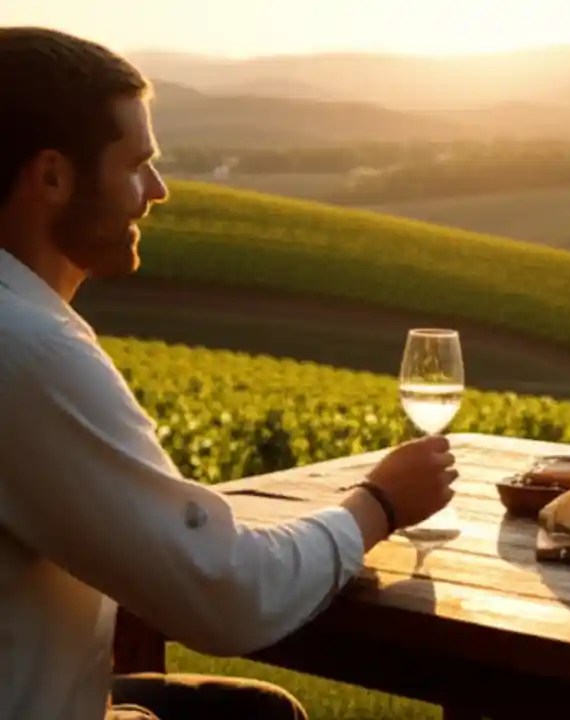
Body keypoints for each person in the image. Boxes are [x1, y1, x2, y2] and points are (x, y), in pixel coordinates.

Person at [0, 27, 459, 720]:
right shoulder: (26, 347)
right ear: (53, 177)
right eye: (135, 164)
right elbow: (225, 595)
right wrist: (379, 505)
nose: (157, 191)